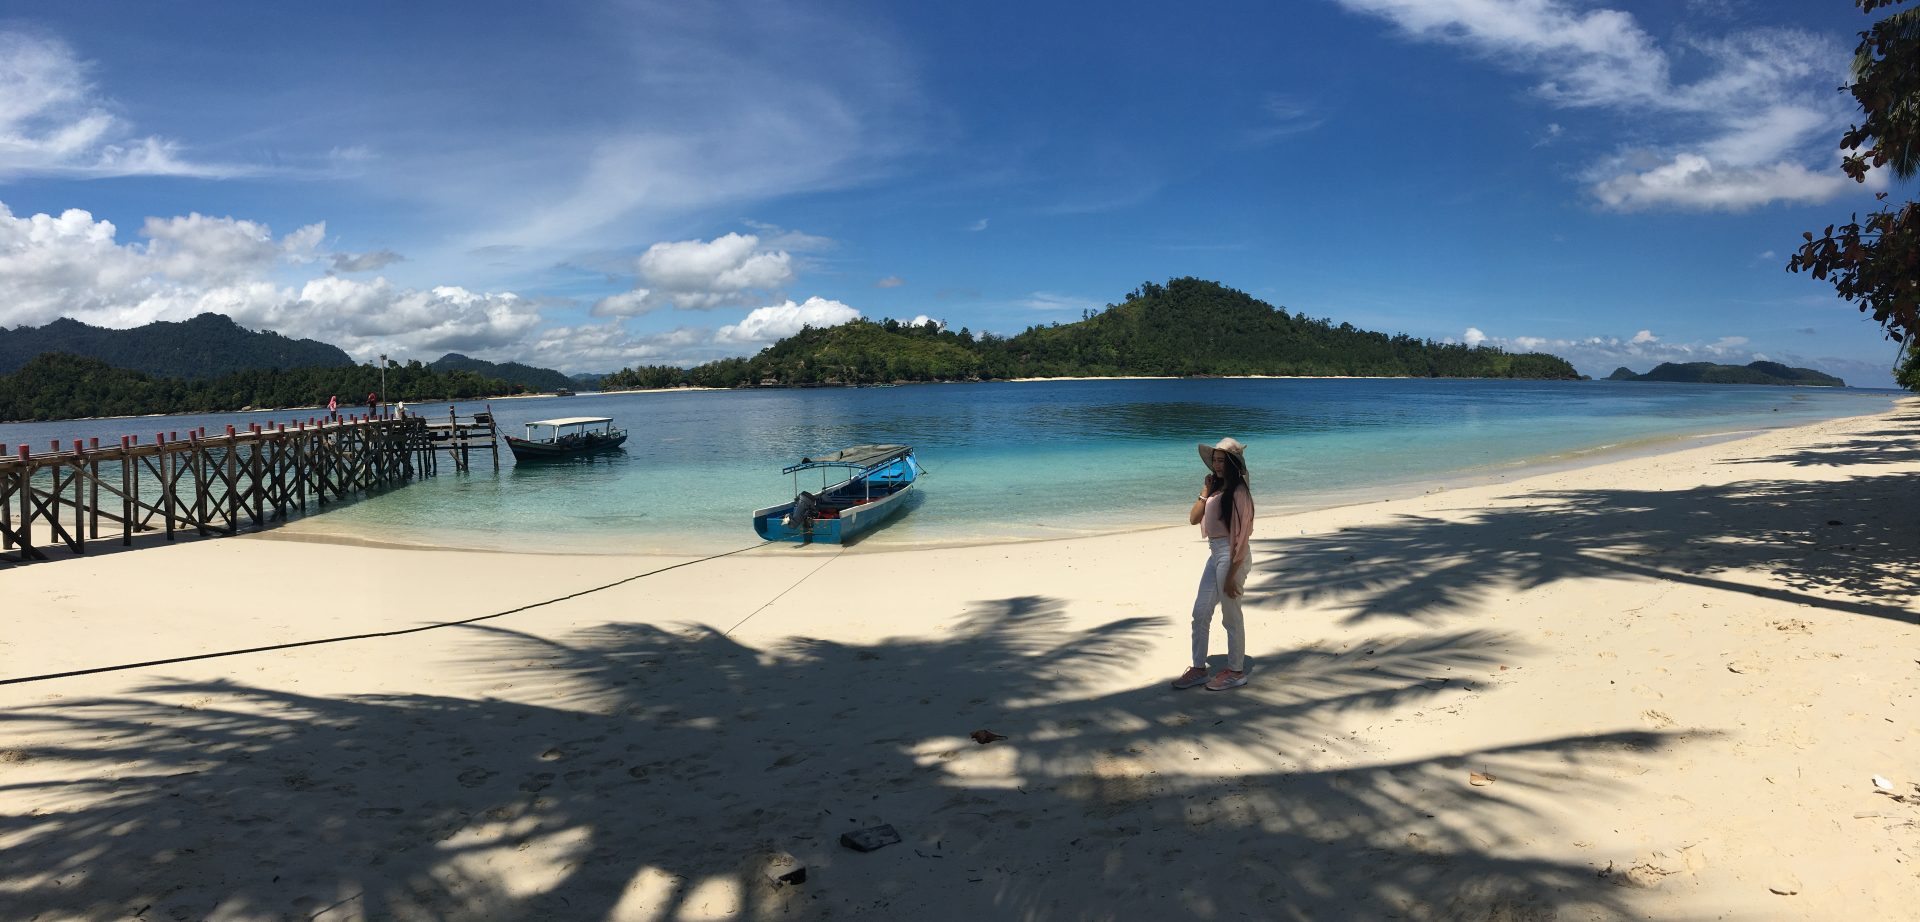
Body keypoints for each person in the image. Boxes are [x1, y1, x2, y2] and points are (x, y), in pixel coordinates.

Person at [1172, 437, 1255, 691]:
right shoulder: (1215, 490)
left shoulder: (1240, 493)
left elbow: (1242, 536)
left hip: (1232, 555)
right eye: (1214, 460)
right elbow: (1193, 518)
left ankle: (1236, 671)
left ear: (1231, 462)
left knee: (1230, 615)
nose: (1217, 465)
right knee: (1200, 612)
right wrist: (1205, 490)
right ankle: (1199, 668)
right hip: (1215, 553)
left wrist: (1232, 575)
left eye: (1221, 460)